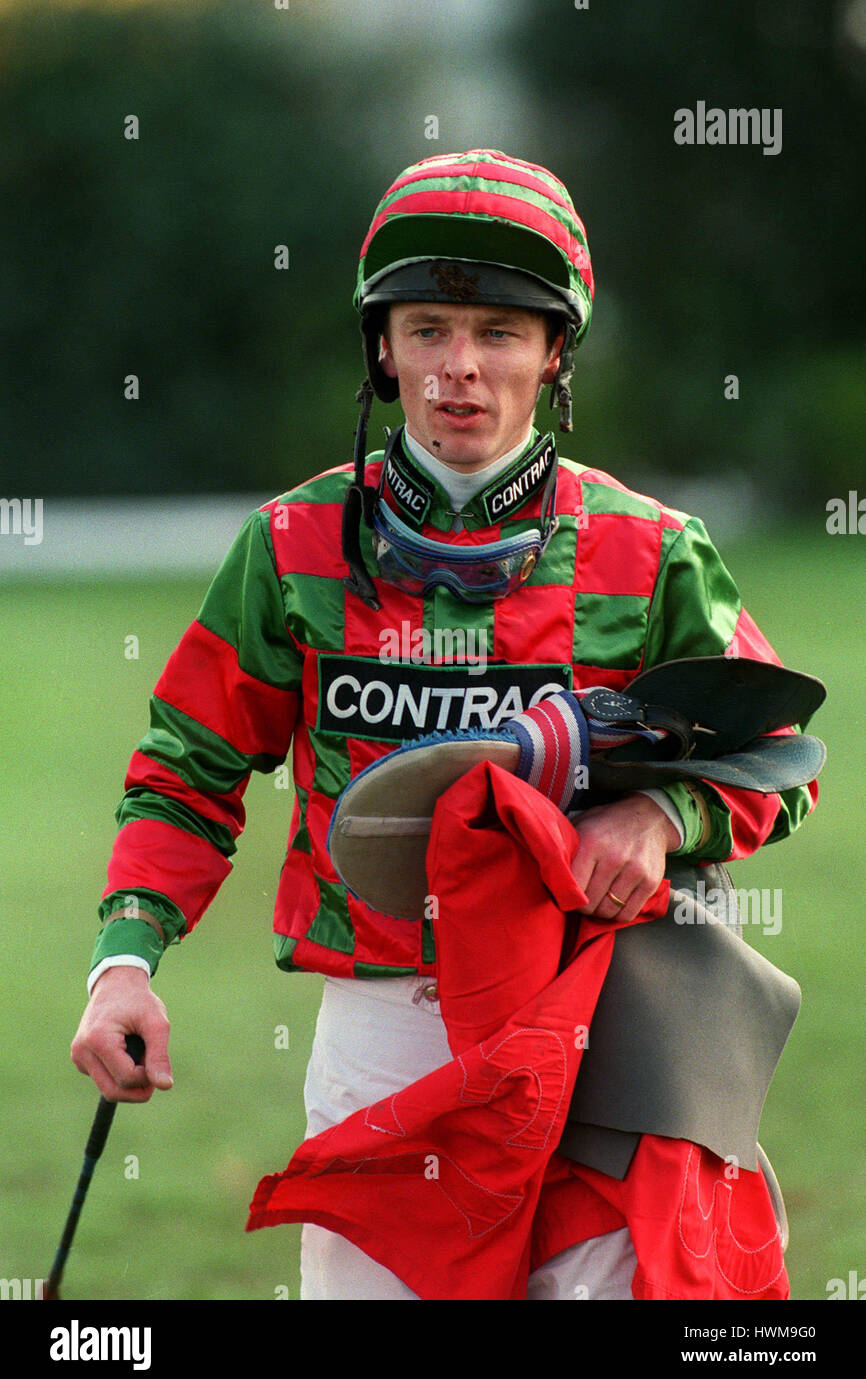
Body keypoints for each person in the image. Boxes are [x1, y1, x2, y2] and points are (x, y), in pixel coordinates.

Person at [71, 149, 817, 1300]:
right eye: (425, 328)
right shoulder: (289, 546)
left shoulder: (653, 548)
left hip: (598, 1022)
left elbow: (778, 757)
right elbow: (186, 771)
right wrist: (123, 967)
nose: (458, 369)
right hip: (382, 1031)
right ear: (381, 346)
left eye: (500, 333)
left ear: (554, 352)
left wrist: (663, 817)